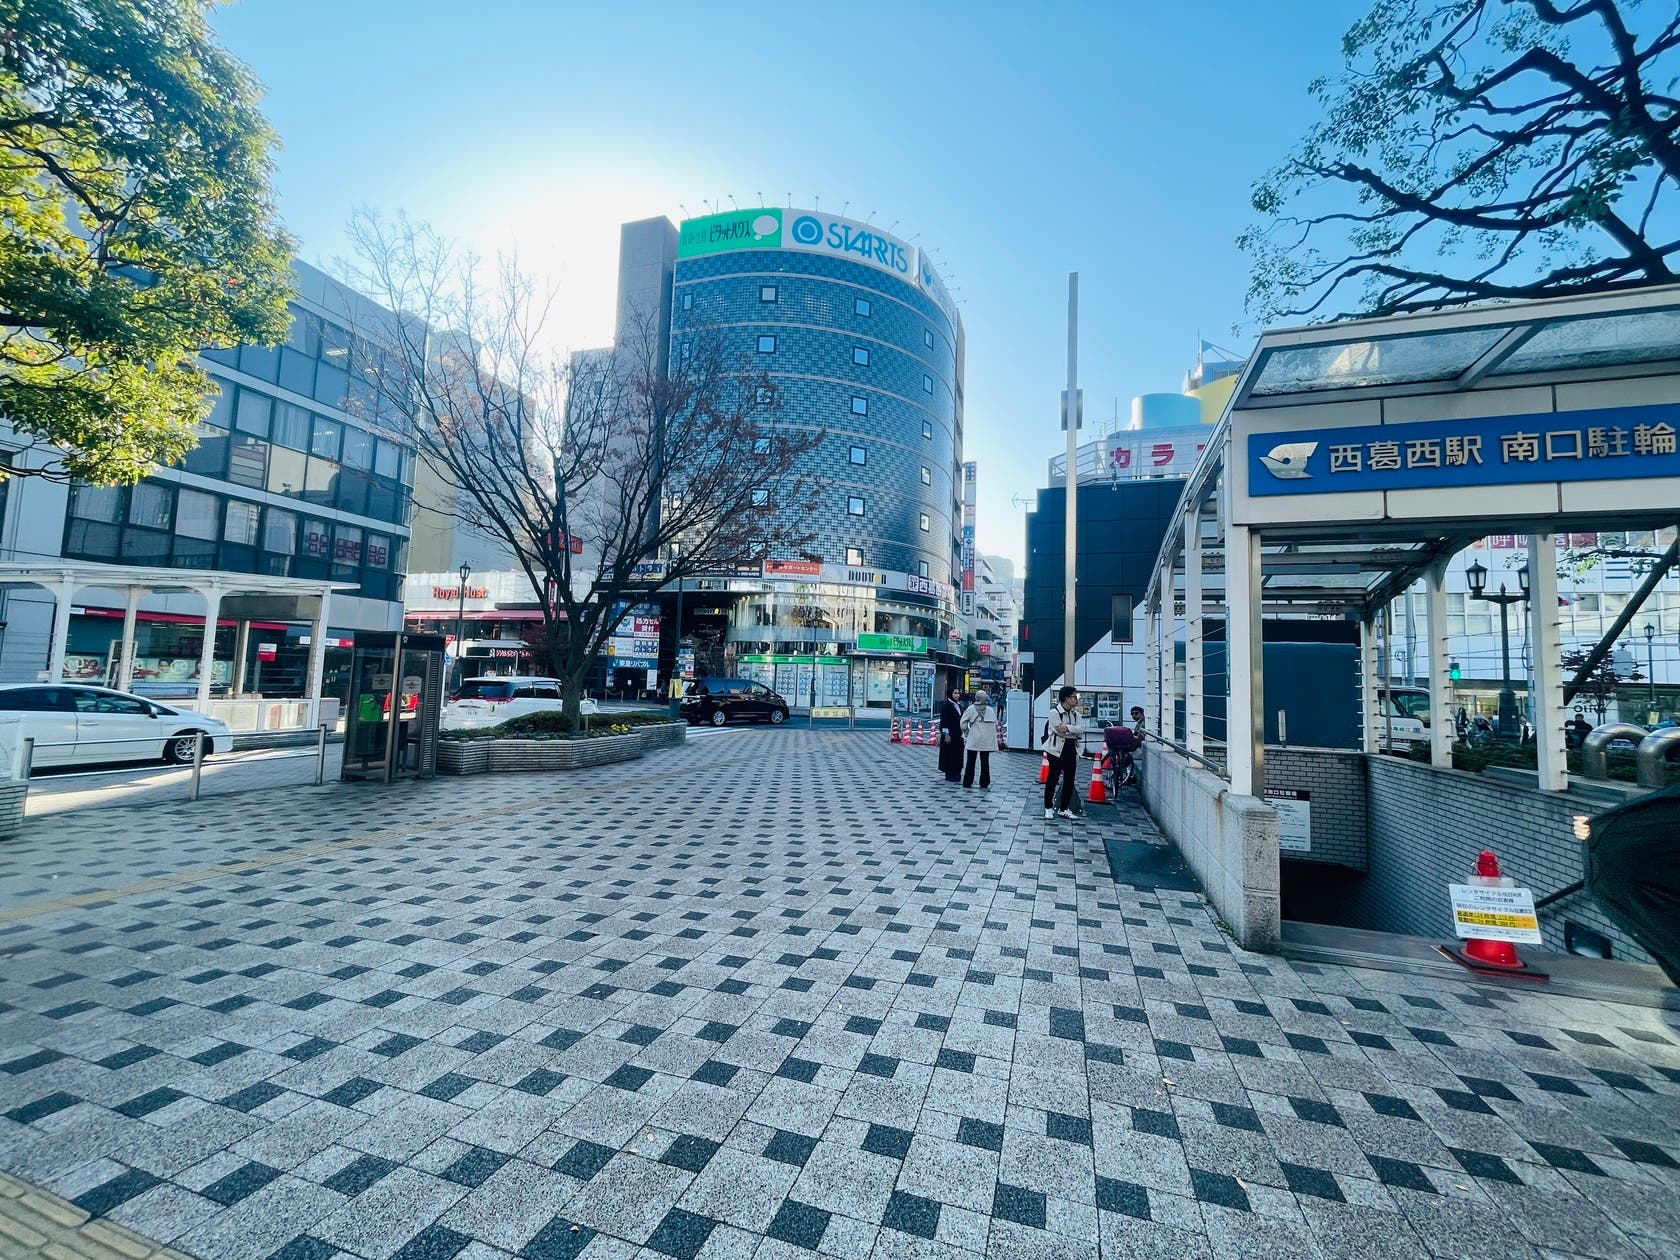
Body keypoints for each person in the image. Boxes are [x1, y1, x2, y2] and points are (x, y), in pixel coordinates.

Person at [1042, 685, 1085, 819]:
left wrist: (1067, 728)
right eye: (1074, 697)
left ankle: (1064, 808)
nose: (1076, 699)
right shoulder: (1054, 712)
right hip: (1055, 749)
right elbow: (1059, 730)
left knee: (1069, 779)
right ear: (1066, 698)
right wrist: (1072, 730)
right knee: (1053, 778)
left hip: (1071, 748)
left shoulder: (1076, 714)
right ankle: (1048, 807)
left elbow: (1081, 731)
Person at [960, 687, 999, 789]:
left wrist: (967, 732)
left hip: (974, 738)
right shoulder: (990, 710)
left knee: (970, 761)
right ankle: (984, 782)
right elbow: (996, 723)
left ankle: (968, 782)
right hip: (986, 740)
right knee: (985, 761)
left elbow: (963, 723)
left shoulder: (971, 708)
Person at [937, 685, 965, 783]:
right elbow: (944, 721)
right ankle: (950, 774)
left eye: (958, 693)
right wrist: (946, 734)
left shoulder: (958, 705)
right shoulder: (946, 706)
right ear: (950, 694)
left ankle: (957, 772)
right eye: (955, 693)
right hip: (950, 734)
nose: (957, 695)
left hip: (958, 734)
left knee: (958, 753)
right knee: (950, 754)